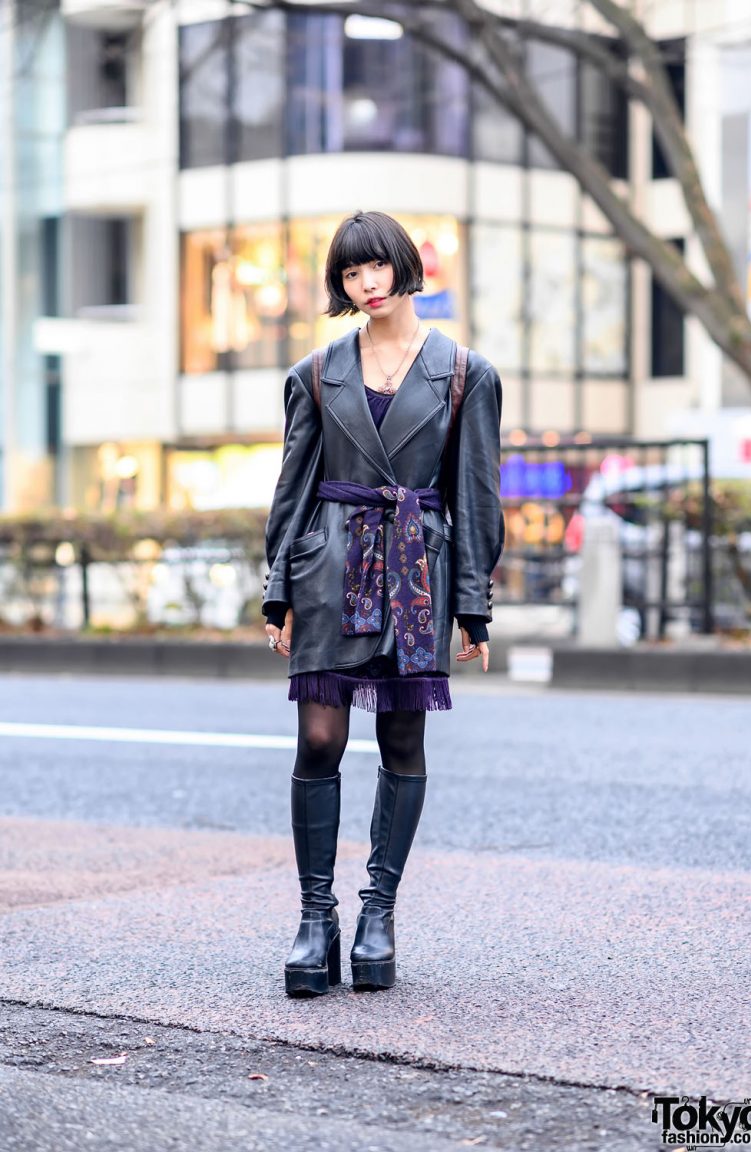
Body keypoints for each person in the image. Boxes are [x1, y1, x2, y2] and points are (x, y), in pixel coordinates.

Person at [262, 210, 503, 997]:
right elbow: (293, 486)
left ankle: (378, 912)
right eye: (349, 273)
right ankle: (313, 918)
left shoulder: (466, 372)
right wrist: (278, 591)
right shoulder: (314, 372)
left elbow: (474, 496)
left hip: (416, 574)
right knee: (320, 741)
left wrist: (473, 606)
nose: (365, 284)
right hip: (329, 566)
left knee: (402, 741)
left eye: (376, 268)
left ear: (406, 268)